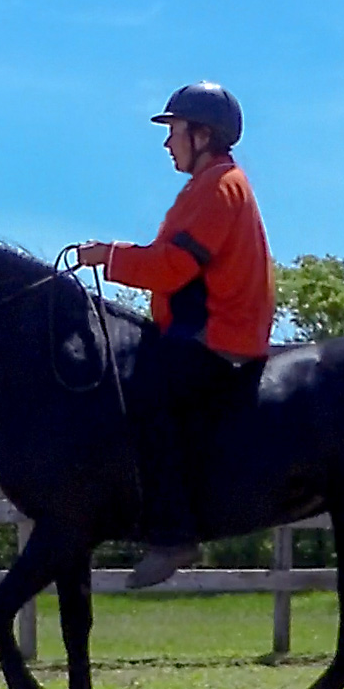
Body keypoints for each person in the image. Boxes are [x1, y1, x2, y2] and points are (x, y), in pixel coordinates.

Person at [75, 81, 276, 588]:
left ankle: (172, 533)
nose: (167, 143)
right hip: (202, 331)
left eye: (175, 131)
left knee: (142, 397)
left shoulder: (217, 187)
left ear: (203, 135)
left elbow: (173, 267)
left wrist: (109, 257)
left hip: (214, 336)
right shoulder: (214, 185)